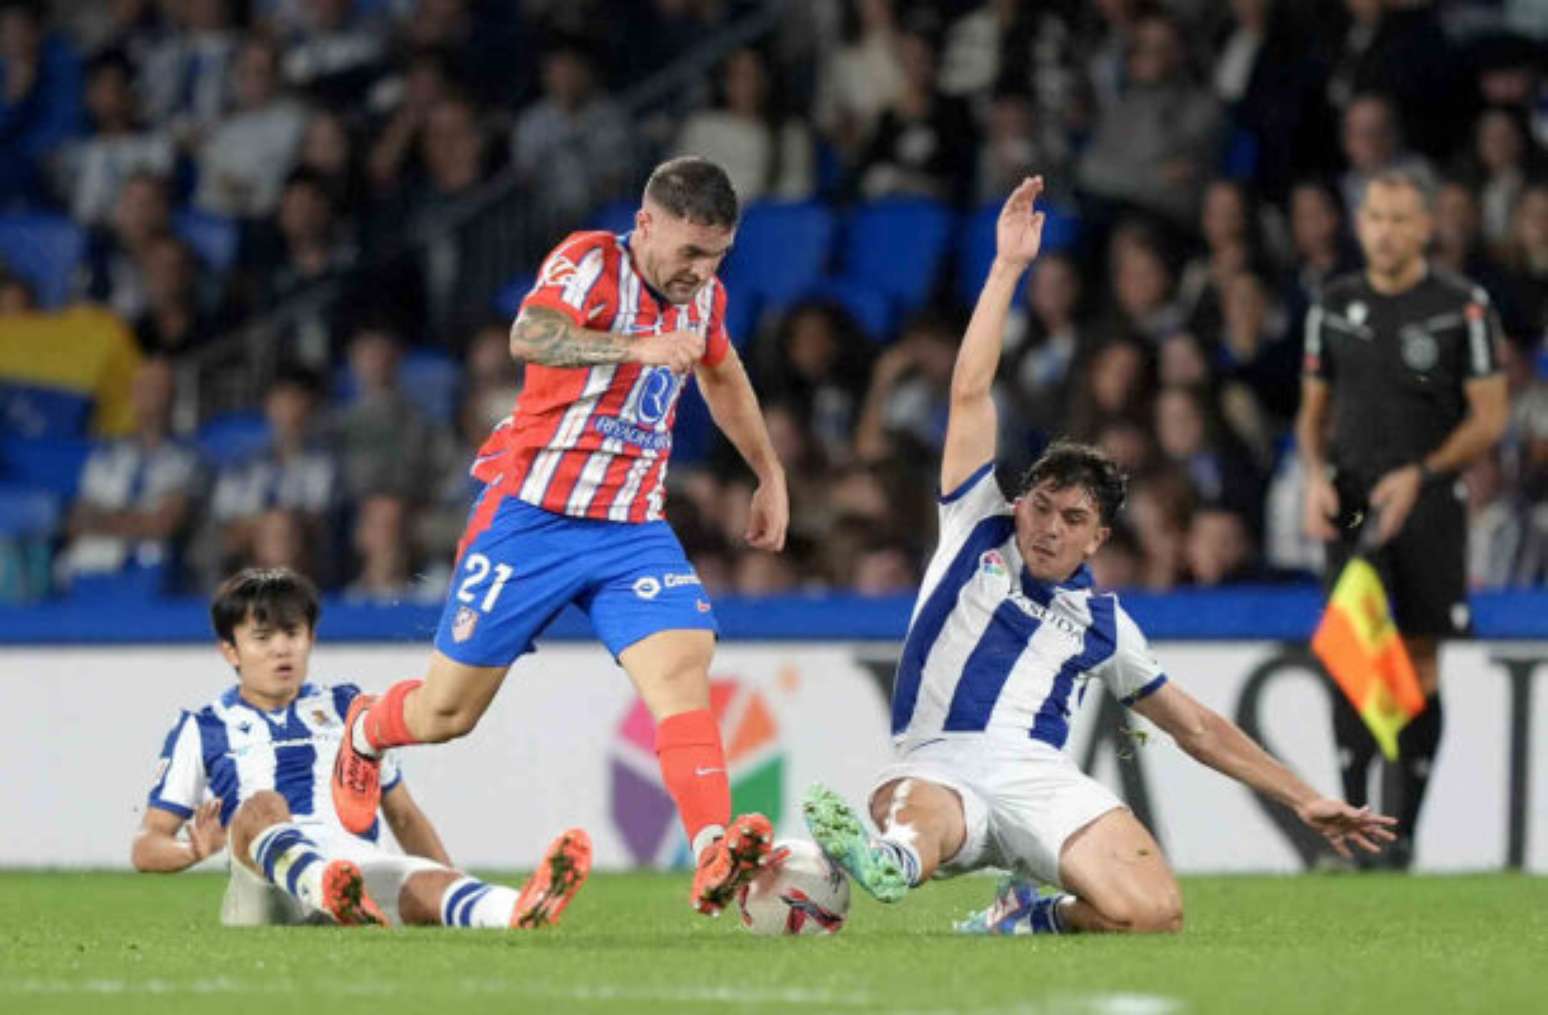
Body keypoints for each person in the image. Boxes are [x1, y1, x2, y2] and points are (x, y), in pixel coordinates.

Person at [801, 178, 1395, 935]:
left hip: (1041, 782)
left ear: (1097, 538)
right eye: (1041, 504)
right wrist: (1008, 268)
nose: (1047, 525)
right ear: (1021, 500)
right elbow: (971, 391)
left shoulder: (1103, 625)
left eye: (1071, 517)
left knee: (1156, 913)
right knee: (919, 826)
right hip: (938, 762)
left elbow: (1199, 728)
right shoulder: (974, 524)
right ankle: (893, 861)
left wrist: (1302, 795)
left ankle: (1023, 917)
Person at [332, 156, 789, 917]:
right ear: (647, 224)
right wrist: (633, 348)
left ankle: (713, 843)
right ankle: (369, 729)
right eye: (688, 252)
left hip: (631, 528)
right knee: (446, 714)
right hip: (530, 516)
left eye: (716, 256)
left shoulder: (702, 295)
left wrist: (768, 470)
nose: (700, 271)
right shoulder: (589, 262)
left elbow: (722, 370)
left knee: (682, 670)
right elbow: (531, 334)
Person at [132, 567, 591, 929]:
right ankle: (319, 883)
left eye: (292, 633)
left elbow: (404, 815)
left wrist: (446, 876)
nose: (281, 650)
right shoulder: (203, 726)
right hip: (266, 890)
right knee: (262, 807)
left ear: (310, 637)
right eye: (263, 638)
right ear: (230, 651)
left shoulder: (347, 708)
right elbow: (147, 844)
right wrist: (192, 851)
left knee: (429, 886)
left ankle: (516, 909)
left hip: (353, 871)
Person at [1296, 168, 1510, 869]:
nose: (1385, 231)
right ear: (1360, 226)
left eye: (1399, 219)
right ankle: (1348, 833)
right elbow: (1313, 412)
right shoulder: (1334, 303)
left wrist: (1423, 473)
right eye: (1375, 218)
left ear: (1424, 227)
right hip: (1353, 497)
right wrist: (1313, 478)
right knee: (1351, 652)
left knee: (1418, 657)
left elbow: (1490, 417)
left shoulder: (1463, 307)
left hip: (1427, 499)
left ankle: (1403, 834)